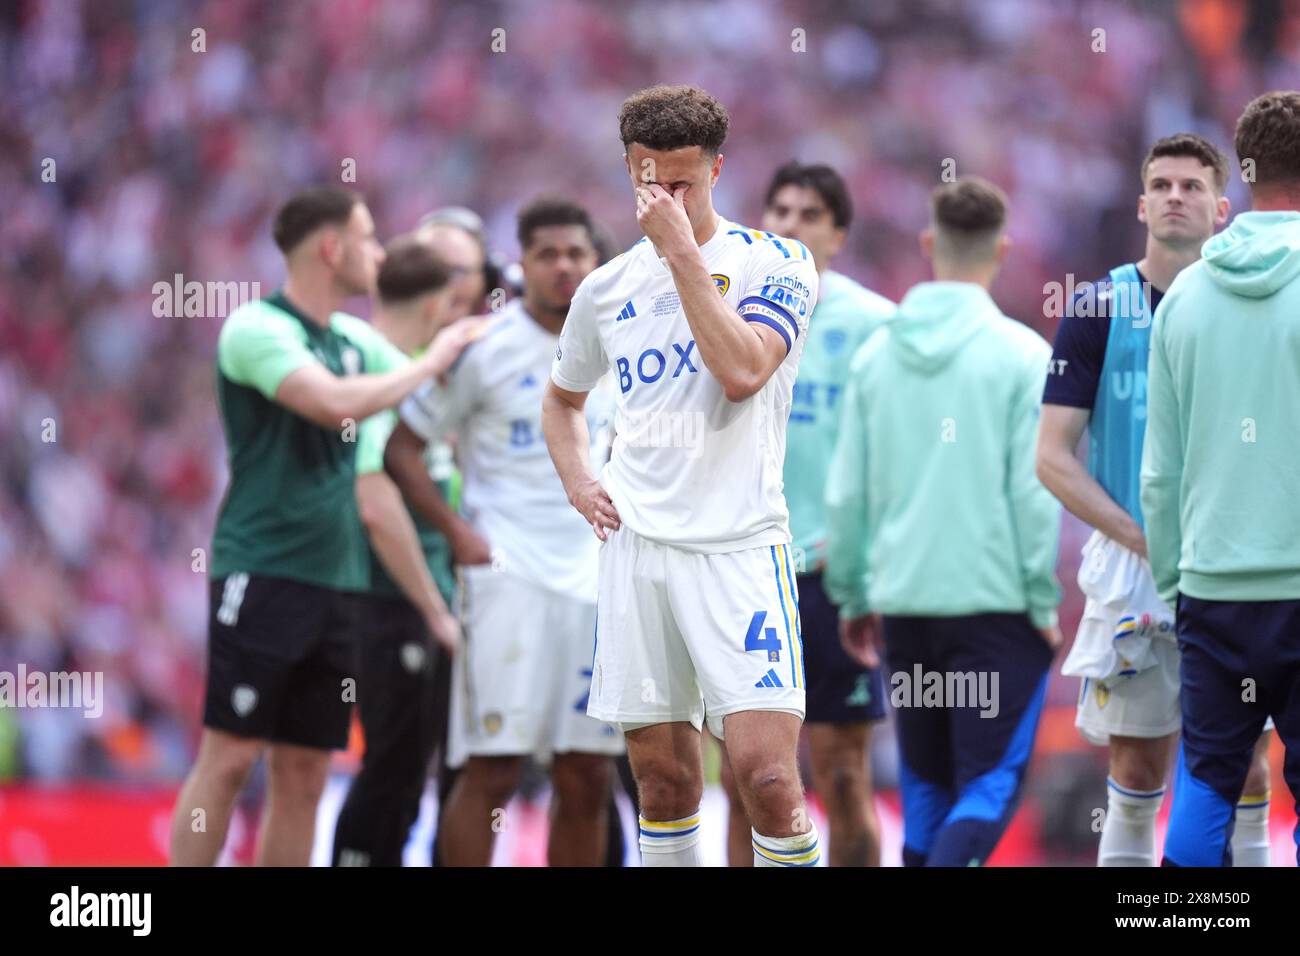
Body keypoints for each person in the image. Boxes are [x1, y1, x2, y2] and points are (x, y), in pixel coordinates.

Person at [544, 85, 822, 867]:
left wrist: (680, 253)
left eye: (682, 184)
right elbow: (562, 401)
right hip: (638, 553)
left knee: (767, 778)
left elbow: (741, 370)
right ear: (628, 168)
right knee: (662, 784)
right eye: (647, 181)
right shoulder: (604, 290)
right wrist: (577, 478)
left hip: (739, 550)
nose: (662, 198)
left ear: (717, 171)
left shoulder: (776, 262)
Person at [171, 186, 463, 866]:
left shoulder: (354, 339)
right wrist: (429, 360)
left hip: (340, 582)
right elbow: (332, 403)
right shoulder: (257, 328)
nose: (380, 253)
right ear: (332, 249)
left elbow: (433, 383)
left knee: (305, 770)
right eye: (368, 238)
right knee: (231, 756)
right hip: (264, 571)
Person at [1037, 133, 1272, 866]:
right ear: (1141, 204)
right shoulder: (1099, 306)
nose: (1176, 196)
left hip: (1234, 555)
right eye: (1163, 185)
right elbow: (1052, 457)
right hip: (1133, 569)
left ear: (1222, 208)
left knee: (1246, 770)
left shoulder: (1249, 300)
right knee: (1135, 773)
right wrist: (1141, 536)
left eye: (1193, 186)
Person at [825, 177, 1061, 866]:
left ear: (929, 244)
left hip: (906, 608)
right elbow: (1034, 489)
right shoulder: (1022, 356)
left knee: (928, 786)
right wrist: (1041, 599)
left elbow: (847, 494)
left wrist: (855, 594)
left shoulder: (875, 358)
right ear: (1003, 250)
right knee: (988, 787)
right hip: (994, 610)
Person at [387, 198, 624, 866]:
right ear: (520, 264)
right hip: (506, 580)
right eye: (546, 254)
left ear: (594, 262)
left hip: (596, 580)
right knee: (492, 770)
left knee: (587, 776)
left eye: (575, 253)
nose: (562, 267)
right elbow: (400, 448)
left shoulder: (617, 346)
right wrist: (457, 532)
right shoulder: (483, 347)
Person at [715, 161, 894, 867]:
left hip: (830, 574)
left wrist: (872, 570)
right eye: (779, 210)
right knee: (743, 783)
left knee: (843, 777)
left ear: (839, 233)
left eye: (809, 213)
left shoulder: (879, 325)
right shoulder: (724, 313)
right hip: (742, 568)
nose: (789, 224)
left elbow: (901, 457)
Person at [1142, 91, 1300, 866]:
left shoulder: (1185, 299)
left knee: (1206, 777)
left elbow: (1159, 475)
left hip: (1214, 586)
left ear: (1243, 172)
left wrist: (1179, 581)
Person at [332, 237, 475, 866]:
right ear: (434, 307)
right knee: (391, 769)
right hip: (387, 602)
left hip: (399, 600)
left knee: (404, 769)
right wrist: (435, 609)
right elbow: (374, 500)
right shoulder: (382, 373)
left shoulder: (385, 368)